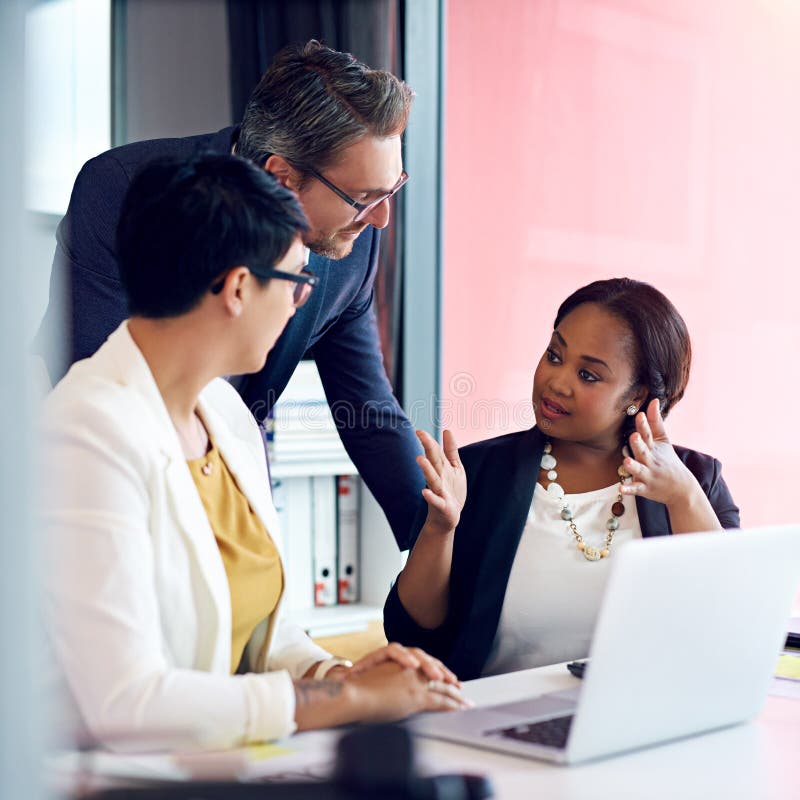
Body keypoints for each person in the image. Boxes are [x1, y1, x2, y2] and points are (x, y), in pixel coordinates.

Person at [41, 154, 468, 751]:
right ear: (238, 287)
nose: (302, 304)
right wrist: (347, 701)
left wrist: (337, 674)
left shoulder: (227, 417)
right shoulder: (84, 433)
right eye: (297, 280)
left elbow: (263, 632)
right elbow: (125, 705)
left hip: (222, 763)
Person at [32, 40, 423, 548]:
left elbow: (367, 408)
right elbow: (103, 381)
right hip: (98, 483)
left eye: (391, 191)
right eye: (366, 198)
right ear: (281, 177)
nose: (382, 219)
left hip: (233, 484)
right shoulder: (125, 191)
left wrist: (445, 539)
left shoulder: (351, 242)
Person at [384, 278, 740, 681]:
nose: (557, 381)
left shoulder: (696, 480)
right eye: (555, 356)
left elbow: (727, 626)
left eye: (588, 375)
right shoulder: (476, 474)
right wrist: (439, 528)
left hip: (644, 722)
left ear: (636, 396)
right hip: (498, 723)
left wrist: (683, 497)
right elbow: (410, 634)